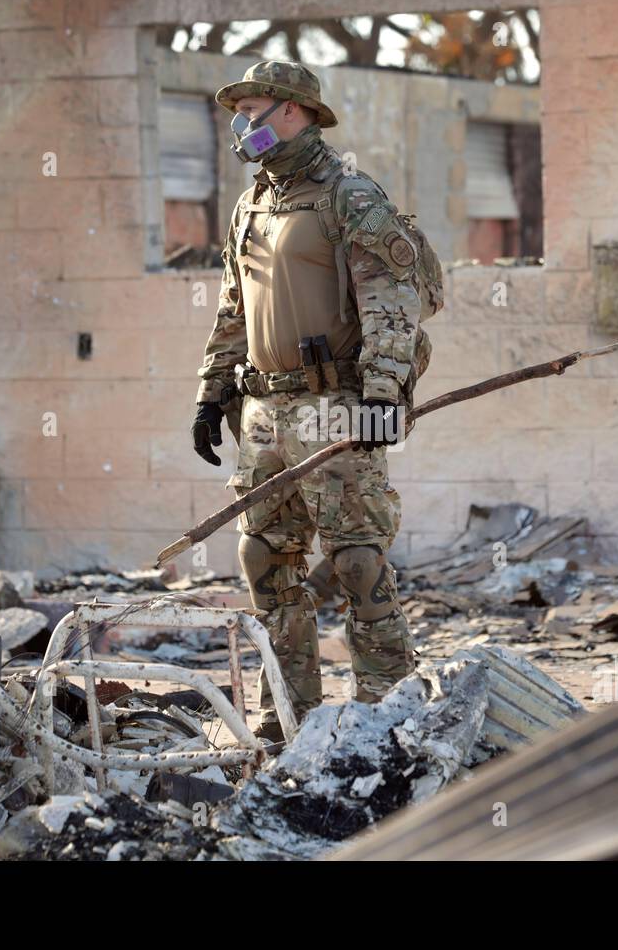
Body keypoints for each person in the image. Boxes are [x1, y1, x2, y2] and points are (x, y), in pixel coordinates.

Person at [190, 61, 423, 743]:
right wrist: (211, 390)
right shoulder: (250, 204)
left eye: (253, 108)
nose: (242, 124)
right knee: (265, 559)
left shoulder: (349, 195)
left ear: (292, 112)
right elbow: (236, 305)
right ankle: (286, 717)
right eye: (239, 111)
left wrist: (383, 392)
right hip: (262, 412)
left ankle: (390, 714)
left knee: (356, 560)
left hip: (337, 407)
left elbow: (392, 298)